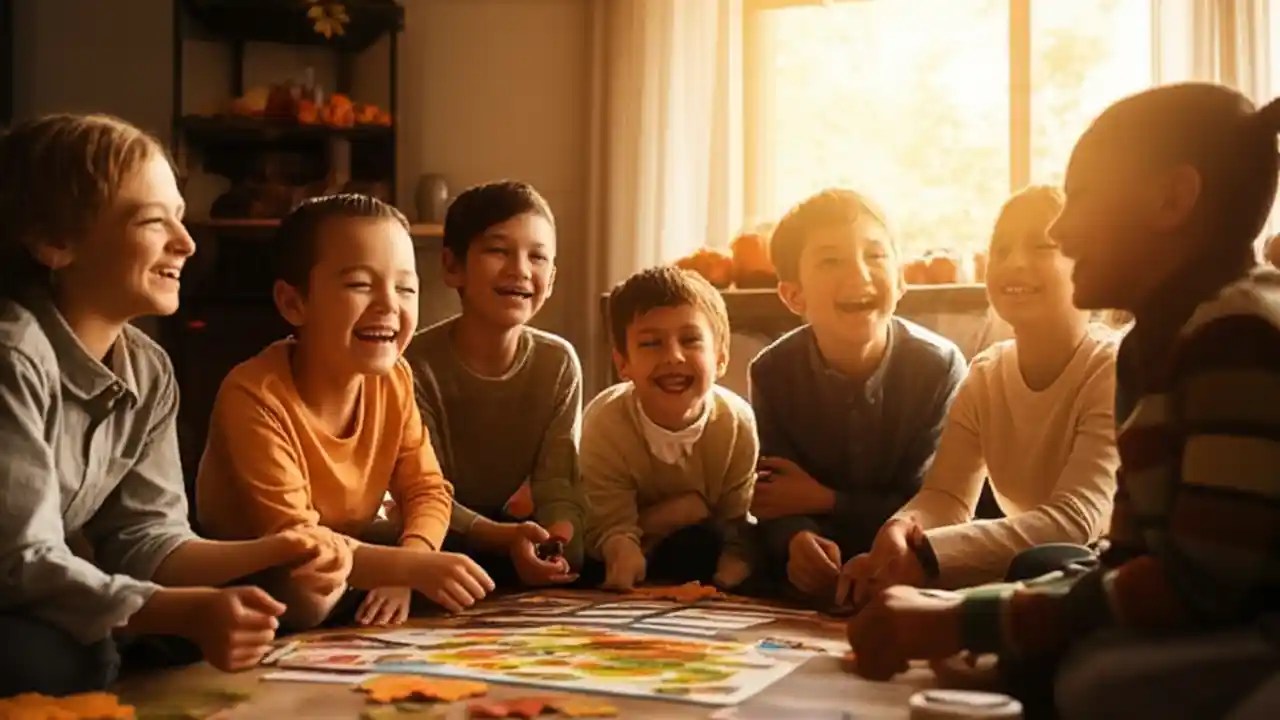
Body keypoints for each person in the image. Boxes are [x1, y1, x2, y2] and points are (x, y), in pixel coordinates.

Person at [845, 83, 1280, 720]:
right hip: (1204, 617)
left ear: (1171, 199)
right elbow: (1130, 560)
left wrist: (963, 620)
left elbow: (1201, 584)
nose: (1060, 228)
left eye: (1079, 199)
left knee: (1091, 682)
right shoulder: (1157, 342)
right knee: (1057, 654)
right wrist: (960, 610)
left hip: (1254, 631)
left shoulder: (1235, 337)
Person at [0, 114, 331, 696]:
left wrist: (277, 551)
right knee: (46, 658)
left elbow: (144, 537)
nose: (187, 242)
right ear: (55, 242)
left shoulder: (147, 370)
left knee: (268, 604)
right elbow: (19, 561)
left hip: (43, 593)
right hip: (14, 590)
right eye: (154, 221)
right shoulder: (13, 355)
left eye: (180, 217)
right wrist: (176, 612)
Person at [197, 194, 494, 630]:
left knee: (445, 552)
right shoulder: (253, 394)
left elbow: (427, 489)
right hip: (261, 567)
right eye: (359, 284)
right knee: (312, 590)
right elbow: (298, 544)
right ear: (293, 303)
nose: (389, 305)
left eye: (406, 288)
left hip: (343, 546)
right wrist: (405, 570)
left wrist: (407, 568)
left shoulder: (394, 378)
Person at [839, 186, 1119, 605]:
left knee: (1037, 566)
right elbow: (947, 497)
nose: (1014, 262)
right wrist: (898, 535)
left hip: (1113, 574)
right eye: (1001, 248)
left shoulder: (1114, 367)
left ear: (1089, 263)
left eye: (1042, 245)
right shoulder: (986, 374)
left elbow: (1075, 523)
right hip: (1043, 573)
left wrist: (929, 555)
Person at [747, 188, 966, 602]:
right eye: (831, 260)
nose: (860, 274)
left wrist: (827, 500)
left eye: (876, 255)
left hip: (912, 555)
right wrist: (798, 538)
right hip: (822, 561)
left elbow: (933, 503)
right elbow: (776, 499)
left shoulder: (939, 368)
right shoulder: (773, 372)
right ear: (794, 295)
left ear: (901, 280)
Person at [406, 180, 585, 588]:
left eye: (537, 257)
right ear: (452, 266)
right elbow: (419, 492)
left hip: (512, 529)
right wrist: (504, 540)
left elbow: (558, 481)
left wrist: (556, 543)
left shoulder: (557, 362)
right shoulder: (413, 365)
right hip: (429, 528)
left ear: (552, 278)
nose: (520, 269)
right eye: (498, 250)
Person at [582, 266, 758, 591]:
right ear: (623, 364)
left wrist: (723, 584)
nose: (674, 356)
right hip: (622, 539)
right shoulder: (605, 423)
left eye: (690, 340)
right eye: (651, 344)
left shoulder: (737, 424)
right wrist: (623, 548)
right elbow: (607, 522)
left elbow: (738, 524)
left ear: (720, 358)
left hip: (705, 543)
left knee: (718, 545)